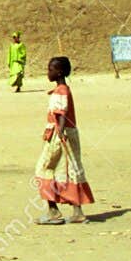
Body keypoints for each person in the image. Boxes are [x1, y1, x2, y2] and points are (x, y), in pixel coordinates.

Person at [35, 56, 94, 224]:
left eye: (50, 70)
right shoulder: (63, 89)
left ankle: (53, 211)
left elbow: (61, 113)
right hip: (65, 134)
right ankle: (77, 211)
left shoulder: (61, 91)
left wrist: (59, 133)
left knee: (45, 169)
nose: (48, 73)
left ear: (59, 72)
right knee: (70, 170)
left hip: (60, 135)